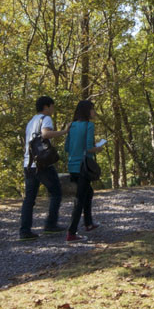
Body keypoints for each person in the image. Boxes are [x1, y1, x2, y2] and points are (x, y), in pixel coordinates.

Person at [19, 96, 70, 240]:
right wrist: (64, 132)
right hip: (42, 165)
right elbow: (46, 134)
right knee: (56, 193)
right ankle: (50, 224)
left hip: (28, 164)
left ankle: (25, 231)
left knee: (29, 199)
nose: (53, 109)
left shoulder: (31, 121)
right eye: (52, 106)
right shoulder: (45, 118)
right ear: (46, 107)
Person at [65, 99, 105, 242]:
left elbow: (67, 148)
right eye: (93, 109)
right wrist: (98, 148)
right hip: (83, 166)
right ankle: (71, 232)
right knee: (80, 198)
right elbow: (88, 148)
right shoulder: (89, 125)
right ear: (87, 111)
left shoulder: (72, 126)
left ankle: (88, 223)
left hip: (72, 165)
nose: (94, 112)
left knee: (89, 192)